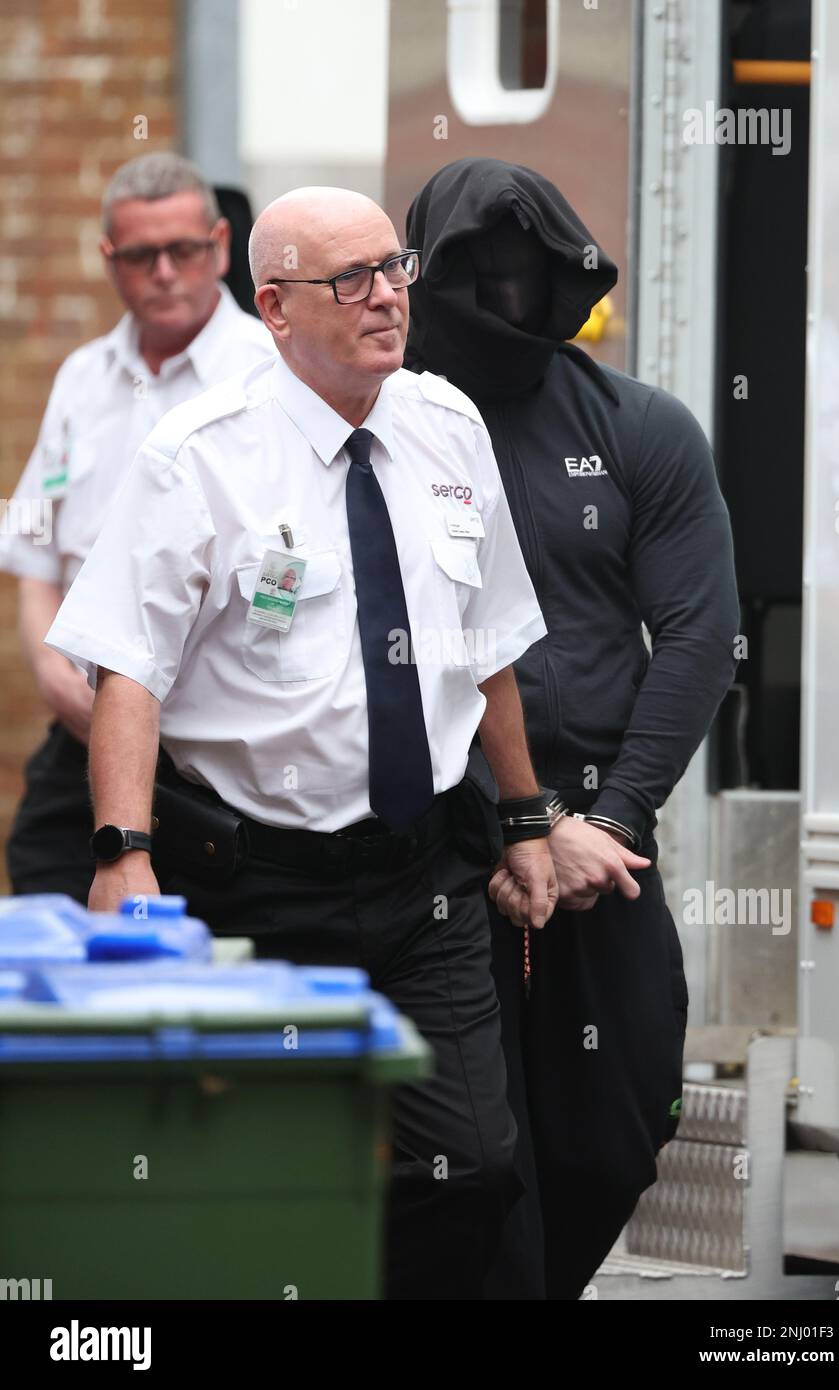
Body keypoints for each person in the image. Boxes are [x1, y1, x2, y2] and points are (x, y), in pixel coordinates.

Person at [44, 185, 559, 1300]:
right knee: (253, 1176)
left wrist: (526, 820)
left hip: (423, 882)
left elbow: (491, 643)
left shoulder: (446, 425)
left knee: (471, 1169)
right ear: (274, 307)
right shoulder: (200, 455)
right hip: (259, 891)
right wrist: (120, 850)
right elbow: (130, 667)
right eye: (351, 280)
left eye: (394, 267)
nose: (386, 297)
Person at [405, 157, 740, 1299]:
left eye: (525, 267)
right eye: (475, 269)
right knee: (469, 1166)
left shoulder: (640, 427)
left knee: (614, 1132)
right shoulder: (381, 432)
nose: (503, 292)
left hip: (605, 846)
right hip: (438, 852)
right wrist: (511, 824)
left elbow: (698, 634)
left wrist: (610, 816)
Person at [0, 152, 273, 903]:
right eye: (140, 255)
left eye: (182, 251)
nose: (163, 273)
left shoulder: (270, 375)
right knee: (45, 900)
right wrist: (55, 674)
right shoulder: (85, 376)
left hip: (206, 748)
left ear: (219, 246)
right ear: (108, 259)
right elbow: (34, 553)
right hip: (81, 733)